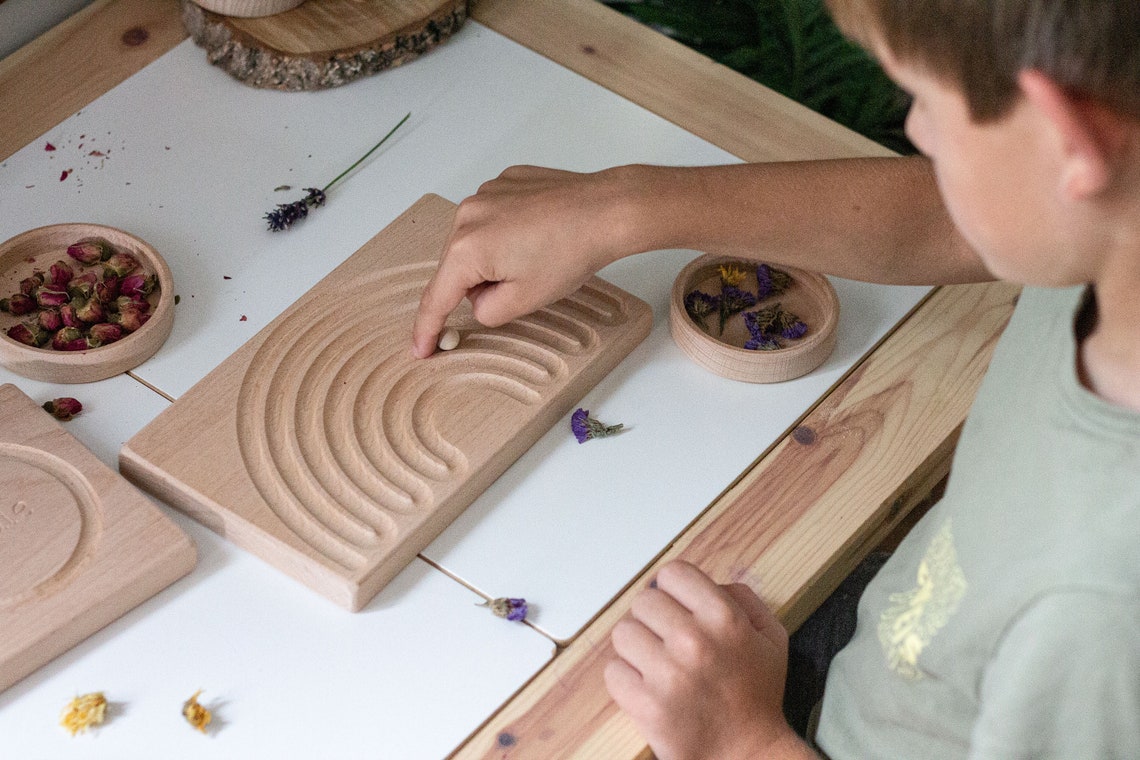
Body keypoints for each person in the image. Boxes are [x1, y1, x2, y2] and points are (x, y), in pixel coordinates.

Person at [412, 0, 1140, 756]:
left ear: (1068, 139)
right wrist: (617, 209)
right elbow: (957, 218)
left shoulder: (1101, 623)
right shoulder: (1109, 228)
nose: (917, 136)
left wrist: (742, 739)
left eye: (927, 104)